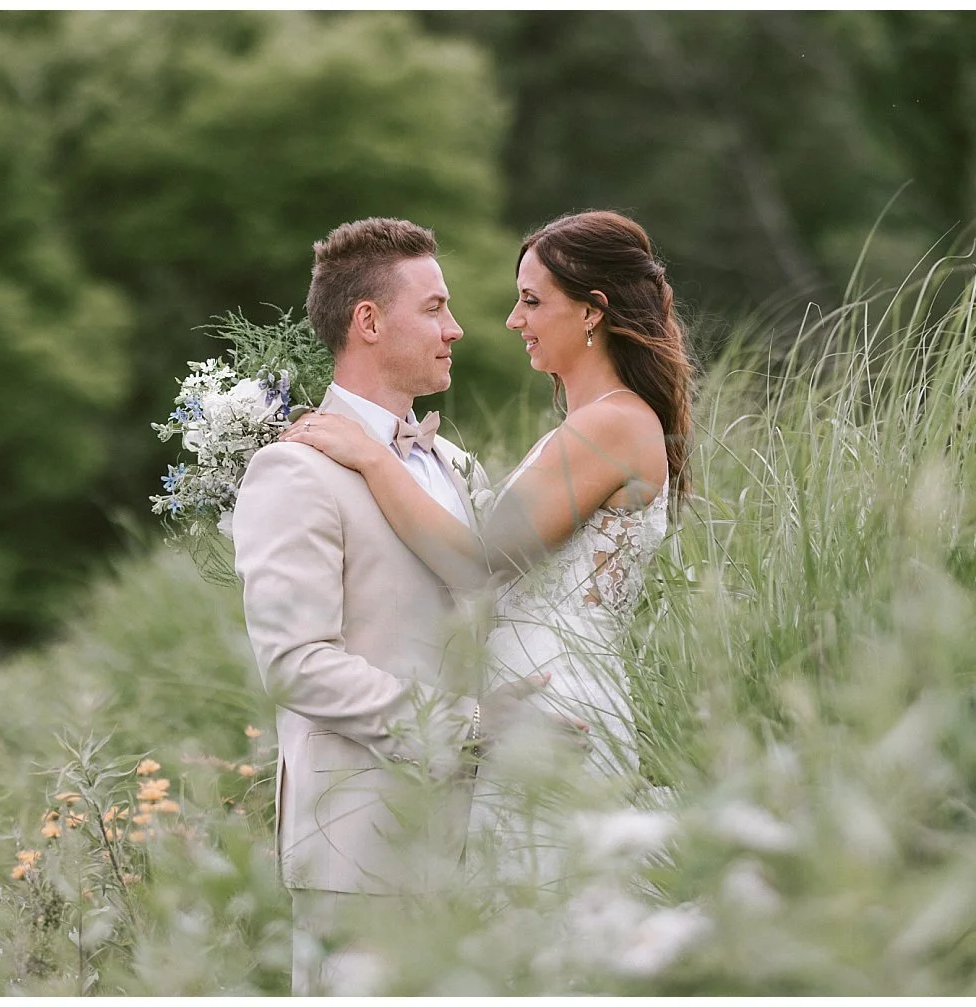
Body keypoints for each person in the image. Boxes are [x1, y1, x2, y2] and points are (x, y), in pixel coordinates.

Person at [283, 209, 696, 890]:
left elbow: (477, 562)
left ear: (592, 311)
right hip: (524, 704)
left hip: (555, 704)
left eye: (532, 300)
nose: (512, 319)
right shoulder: (592, 426)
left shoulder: (614, 426)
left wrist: (371, 456)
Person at [231, 217, 571, 995]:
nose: (456, 329)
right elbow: (297, 664)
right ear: (369, 321)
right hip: (361, 849)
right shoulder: (294, 471)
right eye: (435, 308)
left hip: (476, 845)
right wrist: (462, 727)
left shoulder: (454, 462)